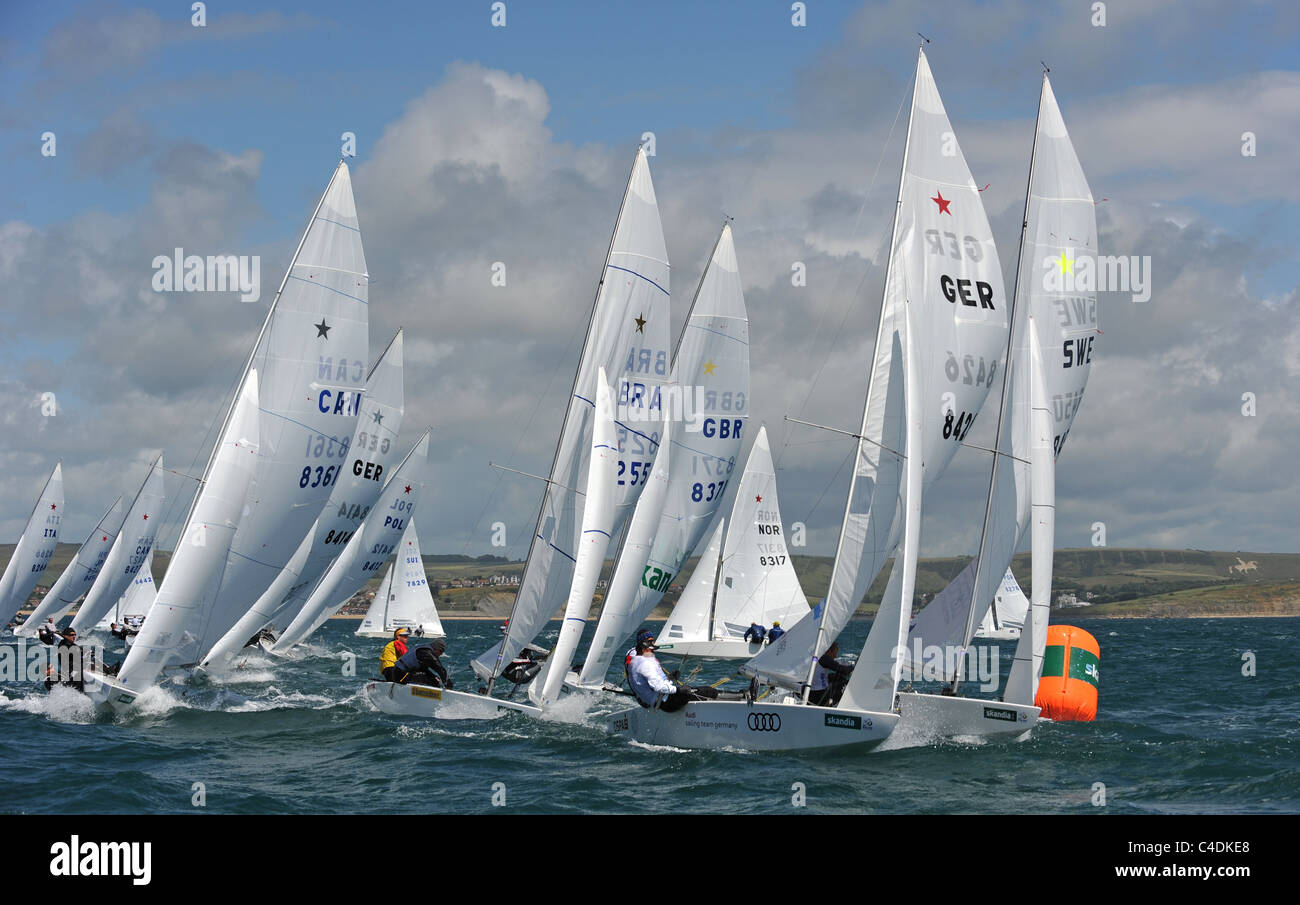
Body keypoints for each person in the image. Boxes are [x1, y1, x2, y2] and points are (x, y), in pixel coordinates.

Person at [627, 637, 721, 713]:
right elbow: (657, 686)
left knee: (694, 690)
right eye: (651, 650)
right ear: (644, 650)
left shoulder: (634, 662)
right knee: (708, 691)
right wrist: (678, 690)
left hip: (658, 701)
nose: (653, 652)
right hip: (665, 703)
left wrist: (670, 678)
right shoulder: (645, 663)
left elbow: (650, 684)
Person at [808, 642, 853, 707]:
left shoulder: (817, 656)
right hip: (818, 695)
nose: (835, 656)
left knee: (838, 676)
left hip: (811, 692)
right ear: (829, 651)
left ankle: (830, 701)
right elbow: (843, 670)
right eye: (834, 653)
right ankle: (830, 704)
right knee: (847, 683)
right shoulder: (824, 658)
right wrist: (854, 666)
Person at [45, 628, 88, 692]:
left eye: (75, 635)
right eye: (72, 635)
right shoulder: (64, 645)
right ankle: (79, 692)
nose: (74, 636)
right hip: (71, 671)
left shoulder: (71, 644)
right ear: (66, 636)